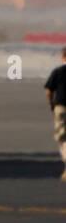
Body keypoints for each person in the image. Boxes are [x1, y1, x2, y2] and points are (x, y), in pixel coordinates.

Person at [45, 47, 66, 181]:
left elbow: (48, 91)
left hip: (61, 108)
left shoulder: (58, 72)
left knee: (63, 138)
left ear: (62, 57)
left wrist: (51, 104)